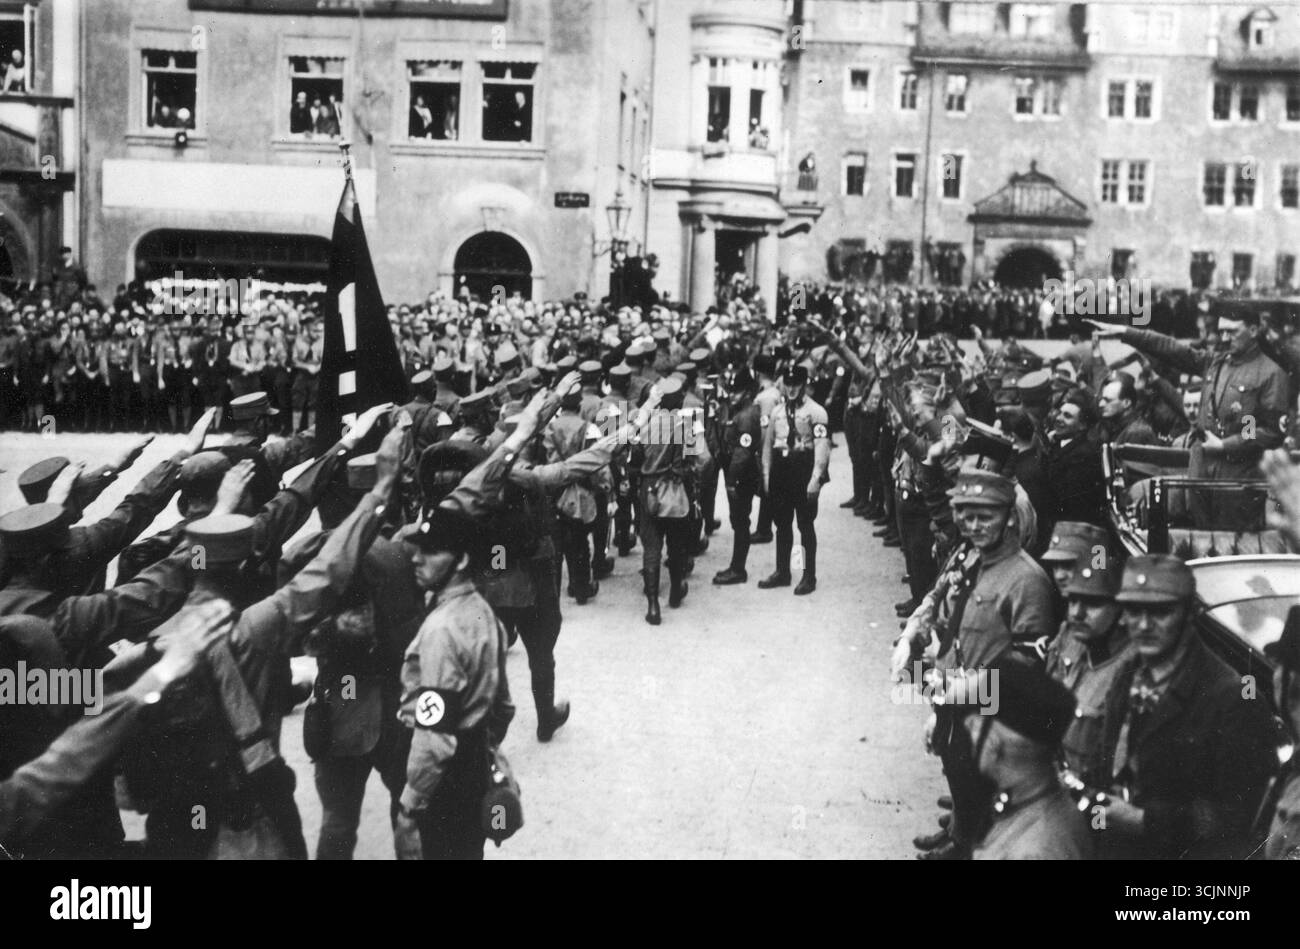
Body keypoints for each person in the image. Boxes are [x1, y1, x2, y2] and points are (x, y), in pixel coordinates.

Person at [892, 468, 1054, 860]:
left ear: (1010, 518)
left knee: (978, 783)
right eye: (966, 515)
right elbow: (943, 599)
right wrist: (912, 636)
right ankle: (959, 833)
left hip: (987, 706)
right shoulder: (971, 557)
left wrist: (957, 698)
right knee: (954, 764)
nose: (974, 525)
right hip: (949, 683)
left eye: (986, 516)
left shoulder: (1027, 580)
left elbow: (1025, 665)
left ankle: (965, 844)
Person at [1096, 554, 1276, 859]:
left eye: (1160, 612)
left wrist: (1146, 822)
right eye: (1133, 610)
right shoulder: (1127, 675)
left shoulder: (1231, 698)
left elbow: (1241, 816)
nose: (1143, 625)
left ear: (1189, 613)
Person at [393, 504, 514, 861]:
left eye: (430, 552)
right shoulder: (483, 612)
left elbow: (434, 737)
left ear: (460, 560)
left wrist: (409, 810)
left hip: (442, 785)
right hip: (473, 764)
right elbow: (503, 706)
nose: (417, 558)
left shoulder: (441, 630)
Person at [957, 662, 1093, 860]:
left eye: (978, 717)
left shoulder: (1035, 851)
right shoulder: (1033, 800)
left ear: (995, 744)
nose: (968, 724)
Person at [758, 364, 829, 596]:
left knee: (804, 524)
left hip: (802, 468)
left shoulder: (816, 412)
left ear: (805, 385)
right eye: (787, 384)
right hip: (781, 470)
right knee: (782, 524)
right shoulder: (777, 412)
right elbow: (767, 445)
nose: (791, 389)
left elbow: (821, 447)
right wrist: (767, 474)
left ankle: (807, 575)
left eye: (796, 384)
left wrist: (816, 479)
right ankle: (783, 572)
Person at [713, 362, 763, 585]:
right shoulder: (738, 411)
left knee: (741, 521)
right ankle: (736, 566)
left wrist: (731, 481)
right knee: (738, 520)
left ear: (749, 392)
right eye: (732, 391)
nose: (733, 396)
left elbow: (742, 453)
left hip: (742, 476)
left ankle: (738, 569)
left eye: (739, 392)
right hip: (735, 473)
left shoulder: (748, 416)